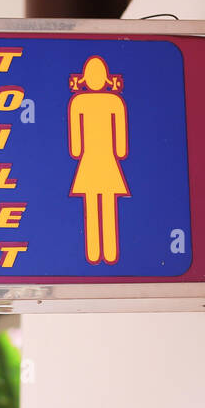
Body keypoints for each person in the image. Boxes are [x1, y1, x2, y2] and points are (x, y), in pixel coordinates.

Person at [68, 55, 129, 264]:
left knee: (92, 207)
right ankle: (109, 253)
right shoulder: (115, 101)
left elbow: (75, 147)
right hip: (108, 159)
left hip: (88, 160)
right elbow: (121, 146)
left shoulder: (78, 101)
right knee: (107, 205)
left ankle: (95, 253)